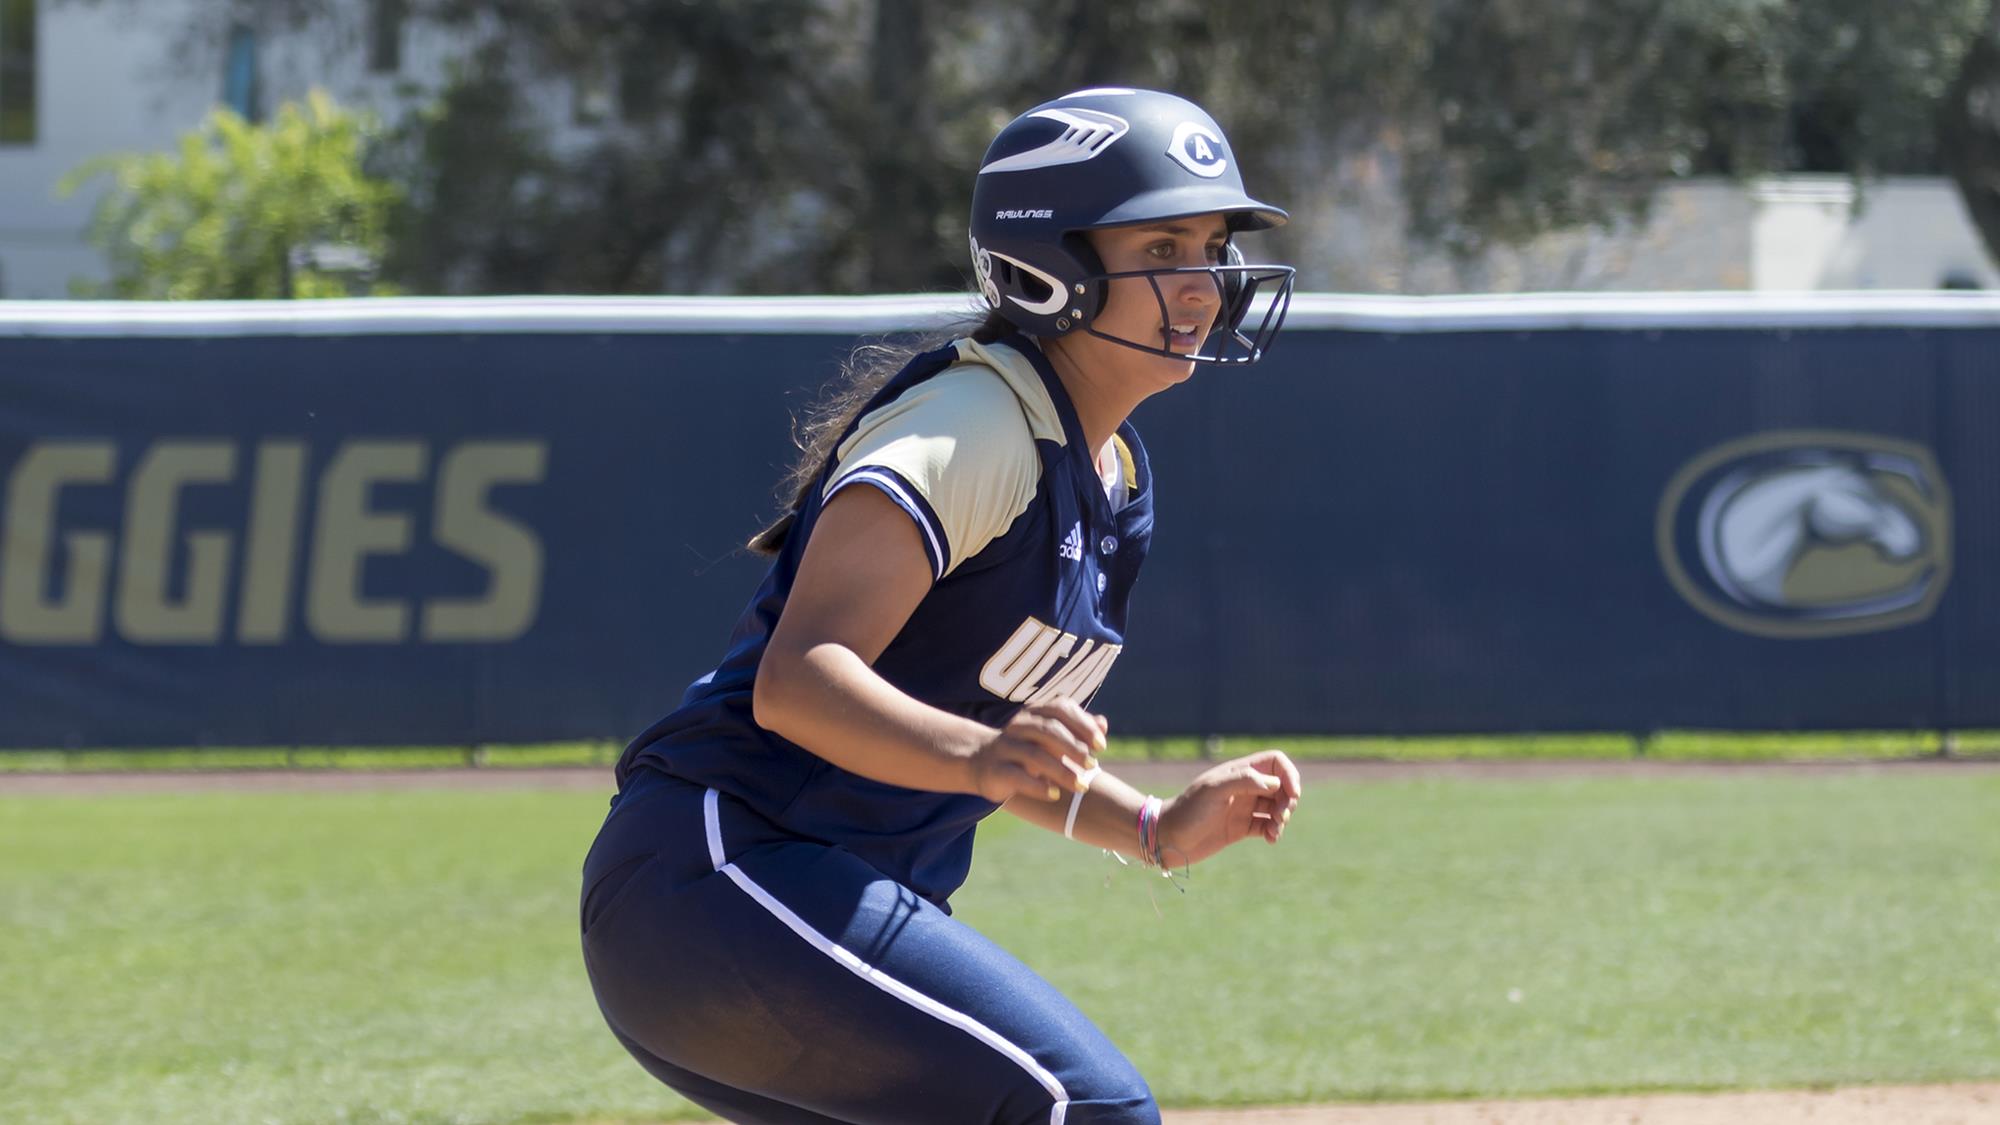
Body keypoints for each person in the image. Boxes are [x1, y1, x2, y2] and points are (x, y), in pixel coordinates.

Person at [580, 87, 1304, 1125]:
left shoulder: (1110, 471)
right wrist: (977, 755)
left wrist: (1147, 827)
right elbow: (798, 682)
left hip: (790, 904)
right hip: (725, 879)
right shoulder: (974, 424)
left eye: (1209, 246)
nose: (1201, 284)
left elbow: (998, 749)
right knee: (1086, 1109)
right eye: (1159, 249)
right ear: (1044, 269)